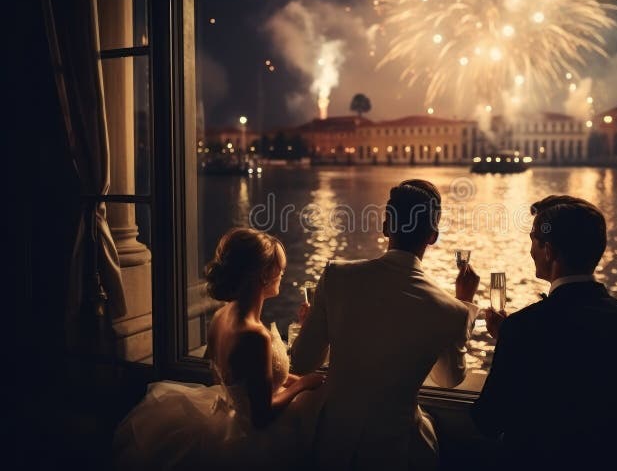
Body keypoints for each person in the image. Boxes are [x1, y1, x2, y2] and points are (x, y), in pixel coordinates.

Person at [291, 179, 480, 470]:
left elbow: (303, 361)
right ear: (433, 236)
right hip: (396, 450)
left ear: (386, 226)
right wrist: (464, 304)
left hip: (331, 443)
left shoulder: (337, 278)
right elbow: (449, 379)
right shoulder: (450, 310)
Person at [113, 227, 325, 470]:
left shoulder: (221, 316)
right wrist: (302, 385)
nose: (283, 273)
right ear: (264, 274)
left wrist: (300, 378)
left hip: (225, 412)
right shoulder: (254, 336)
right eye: (280, 268)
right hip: (249, 439)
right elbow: (261, 415)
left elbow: (243, 379)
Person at [471, 195, 617, 469]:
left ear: (549, 250)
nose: (530, 249)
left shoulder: (524, 327)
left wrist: (508, 341)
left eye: (533, 239)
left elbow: (488, 421)